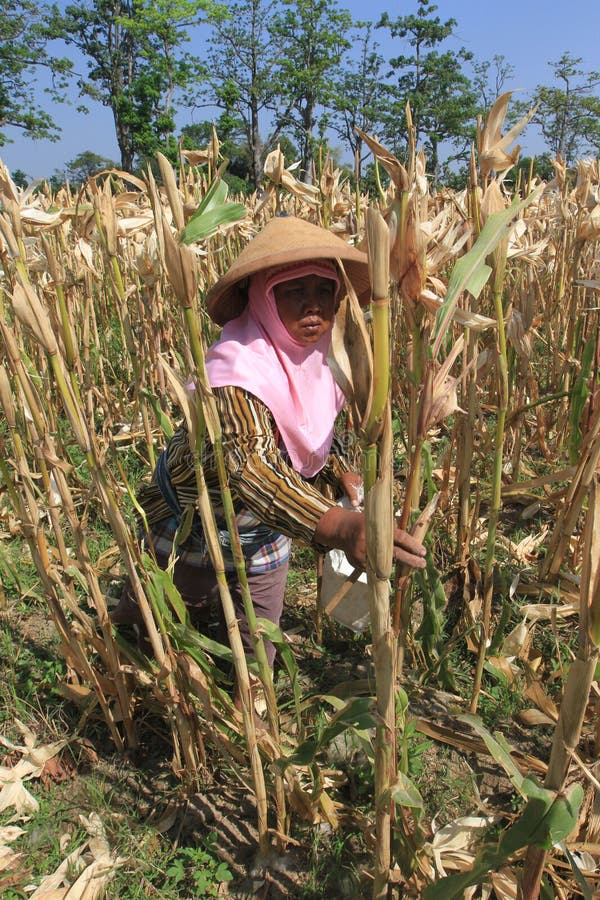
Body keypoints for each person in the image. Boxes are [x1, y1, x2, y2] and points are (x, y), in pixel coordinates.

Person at [111, 215, 426, 666]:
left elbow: (314, 433)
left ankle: (253, 707)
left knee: (261, 641)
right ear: (262, 297)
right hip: (190, 522)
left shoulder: (325, 360)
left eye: (323, 290)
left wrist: (339, 468)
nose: (313, 306)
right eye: (294, 291)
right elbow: (251, 467)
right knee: (154, 623)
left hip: (265, 531)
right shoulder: (235, 374)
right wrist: (340, 526)